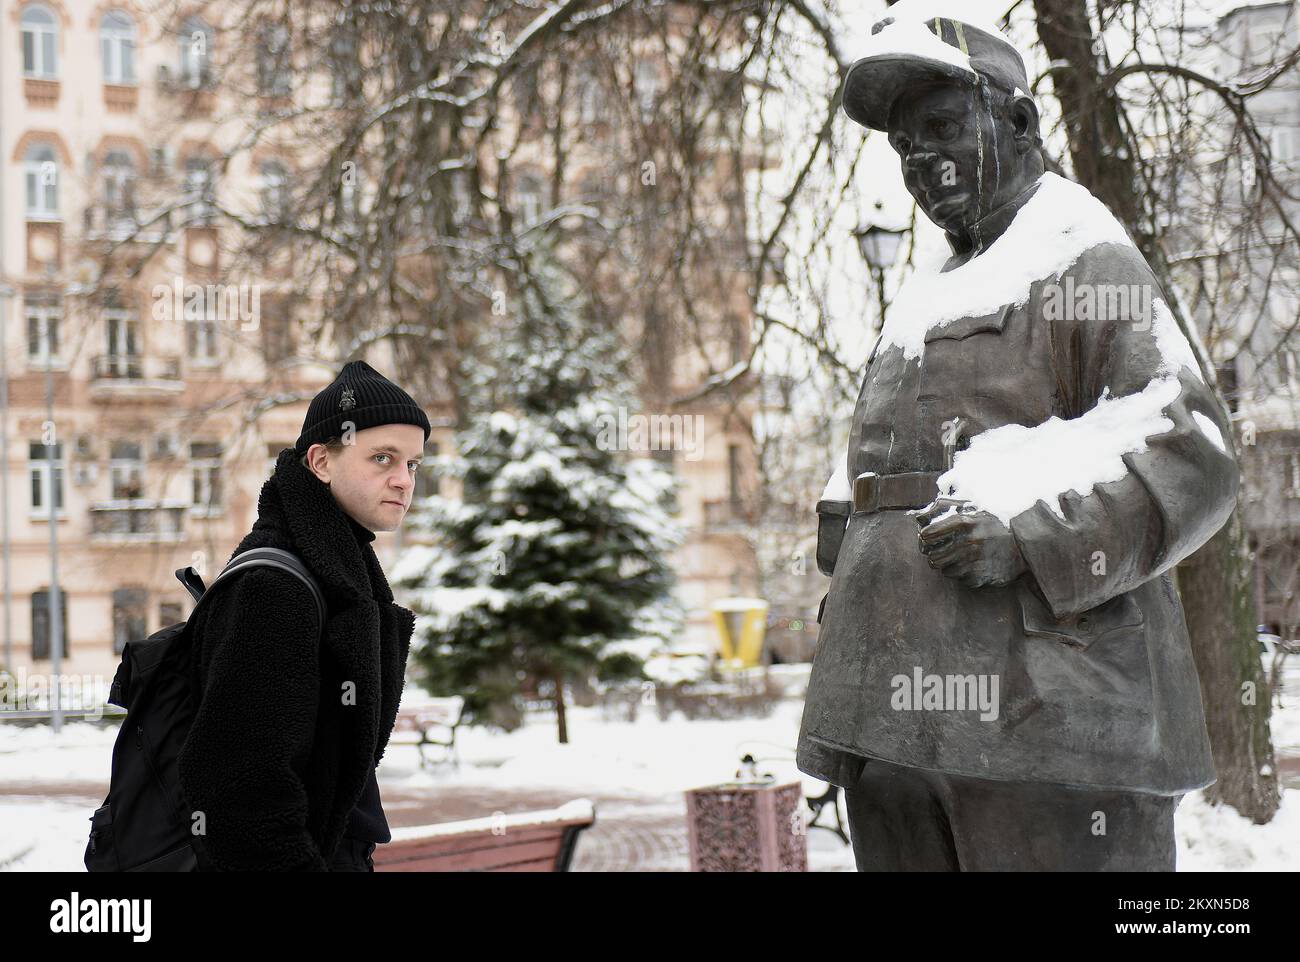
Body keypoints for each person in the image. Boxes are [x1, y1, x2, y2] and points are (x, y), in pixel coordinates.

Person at [798, 3, 1239, 871]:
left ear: (1020, 120)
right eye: (902, 145)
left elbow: (1191, 449)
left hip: (1043, 722)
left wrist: (1032, 533)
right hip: (891, 715)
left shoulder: (1080, 258)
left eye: (941, 127)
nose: (920, 159)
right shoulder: (936, 289)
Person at [177, 360, 431, 871]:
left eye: (413, 464)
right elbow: (241, 798)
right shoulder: (276, 587)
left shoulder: (337, 573)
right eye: (383, 458)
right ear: (320, 462)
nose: (403, 480)